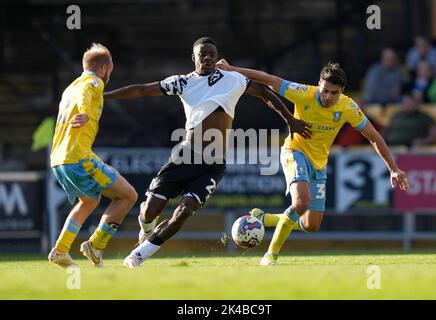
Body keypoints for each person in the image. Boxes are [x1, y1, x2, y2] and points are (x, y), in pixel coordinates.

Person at [103, 37, 311, 268]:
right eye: (203, 54)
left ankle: (138, 256)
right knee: (149, 212)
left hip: (213, 164)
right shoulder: (182, 82)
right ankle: (146, 227)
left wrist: (290, 120)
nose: (208, 58)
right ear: (194, 58)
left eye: (212, 54)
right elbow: (141, 90)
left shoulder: (233, 79)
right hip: (185, 156)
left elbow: (265, 93)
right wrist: (103, 97)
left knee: (183, 211)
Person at [216, 59, 410, 266]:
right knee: (300, 204)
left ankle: (266, 219)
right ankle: (270, 255)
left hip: (319, 164)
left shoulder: (348, 107)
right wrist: (232, 70)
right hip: (295, 152)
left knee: (311, 225)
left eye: (334, 93)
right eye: (325, 90)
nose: (328, 97)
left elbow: (373, 136)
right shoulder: (303, 93)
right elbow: (270, 80)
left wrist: (393, 168)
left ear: (342, 92)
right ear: (319, 84)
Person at [48, 43, 138, 268]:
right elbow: (86, 93)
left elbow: (81, 93)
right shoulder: (93, 82)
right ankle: (96, 244)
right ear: (105, 68)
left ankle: (60, 251)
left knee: (89, 200)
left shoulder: (70, 86)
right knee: (128, 195)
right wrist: (86, 114)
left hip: (59, 159)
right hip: (78, 157)